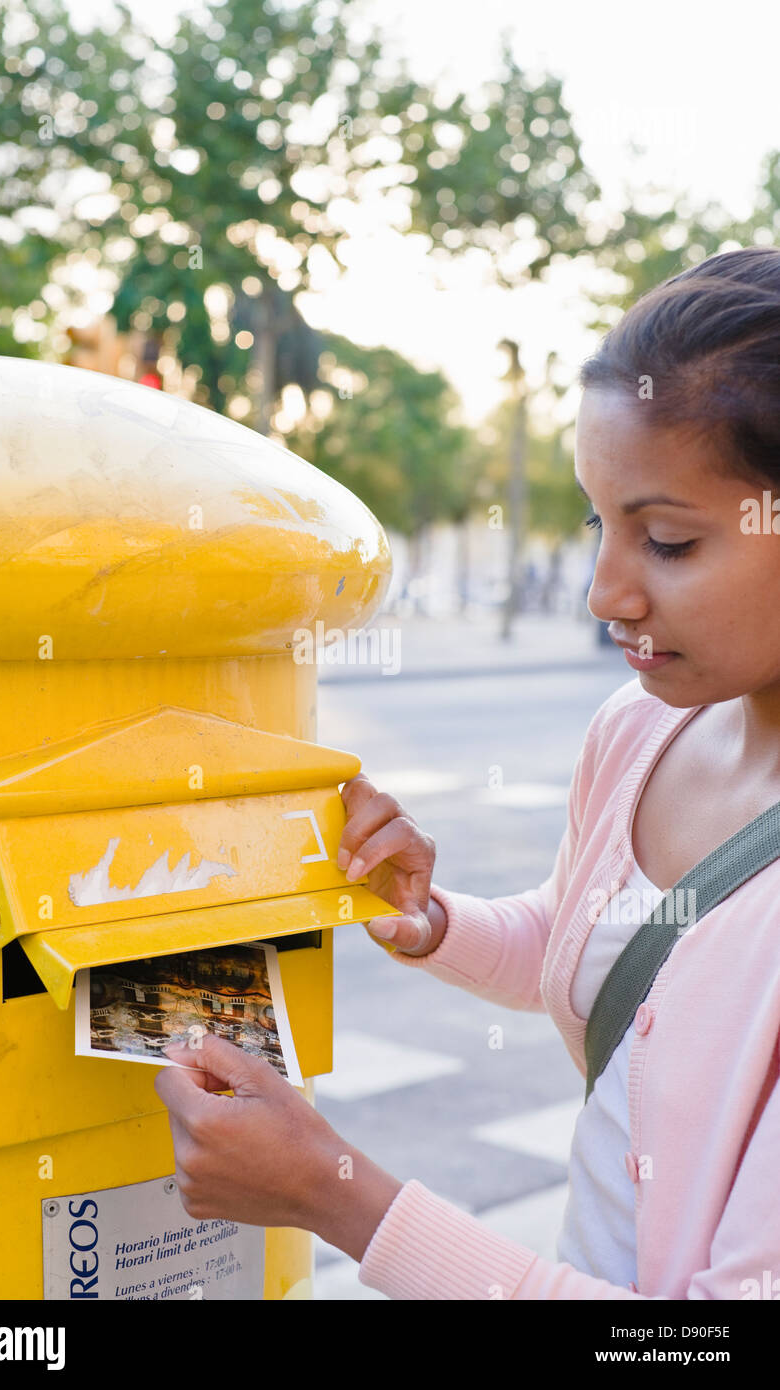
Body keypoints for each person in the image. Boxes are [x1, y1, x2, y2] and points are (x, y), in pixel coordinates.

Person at [155, 246, 780, 1299]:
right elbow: (578, 942)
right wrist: (428, 918)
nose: (602, 592)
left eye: (666, 541)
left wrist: (337, 1195)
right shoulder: (637, 732)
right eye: (598, 523)